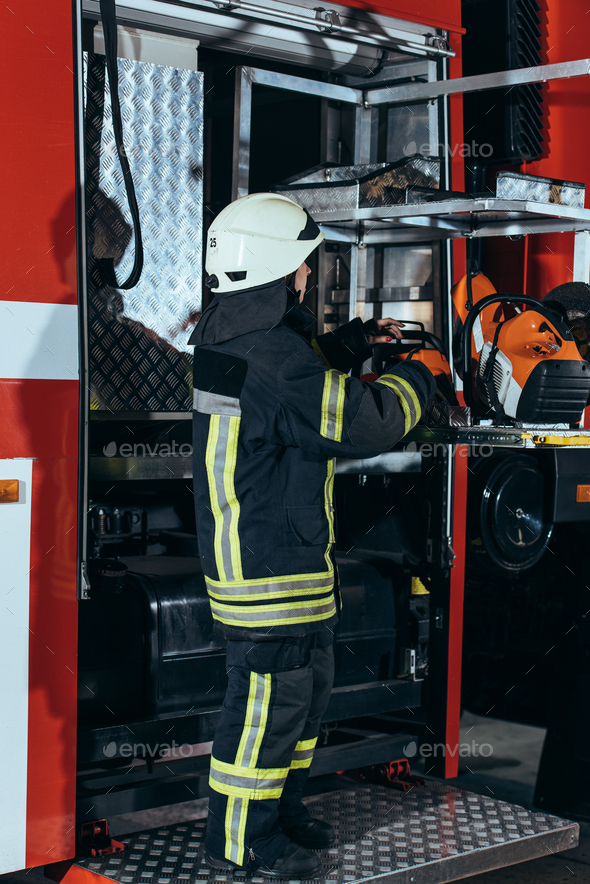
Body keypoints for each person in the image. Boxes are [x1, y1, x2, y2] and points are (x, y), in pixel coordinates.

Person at [188, 193, 436, 878]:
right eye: (304, 262)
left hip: (273, 559)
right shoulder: (274, 358)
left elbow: (287, 389)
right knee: (270, 704)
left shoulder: (232, 336)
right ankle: (240, 838)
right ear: (280, 266)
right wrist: (420, 378)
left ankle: (282, 809)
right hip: (271, 569)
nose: (307, 274)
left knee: (305, 691)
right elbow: (367, 422)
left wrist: (350, 344)